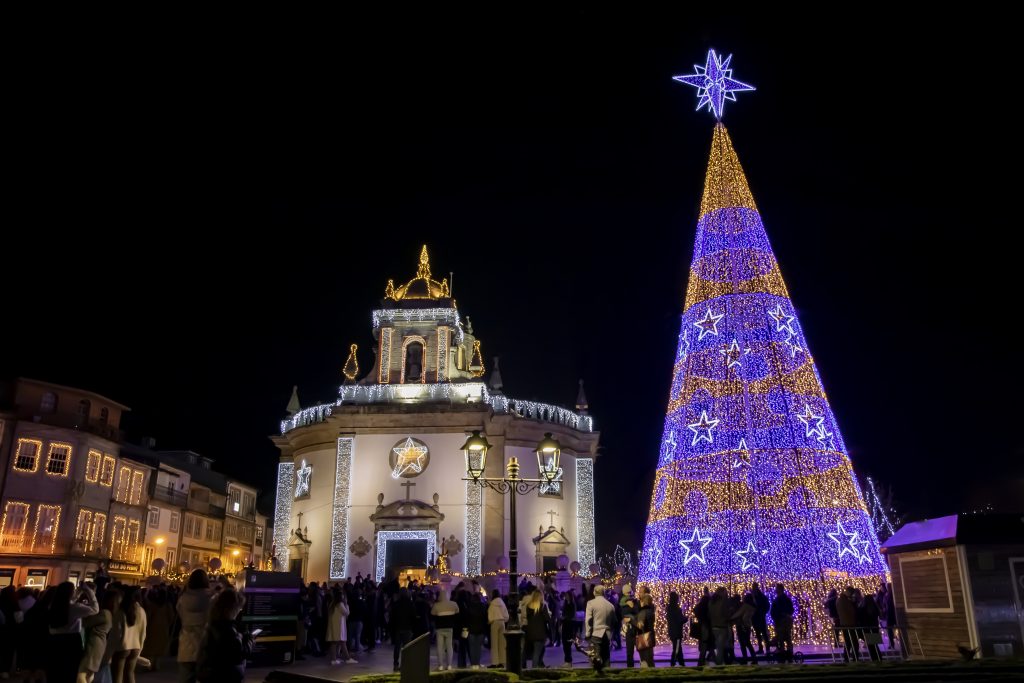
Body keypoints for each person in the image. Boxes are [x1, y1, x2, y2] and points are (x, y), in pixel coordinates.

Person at [47, 582, 99, 683]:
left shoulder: (52, 606)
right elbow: (95, 609)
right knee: (70, 672)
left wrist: (78, 593)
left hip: (54, 641)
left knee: (55, 671)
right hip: (71, 641)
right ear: (70, 593)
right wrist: (89, 591)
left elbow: (68, 602)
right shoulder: (75, 608)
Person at [196, 590, 251, 683]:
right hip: (224, 675)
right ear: (231, 608)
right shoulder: (226, 629)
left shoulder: (214, 624)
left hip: (211, 674)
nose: (239, 611)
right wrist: (249, 640)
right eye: (239, 608)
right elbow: (238, 654)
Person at [177, 569, 212, 683]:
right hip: (205, 643)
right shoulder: (211, 598)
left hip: (186, 643)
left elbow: (180, 614)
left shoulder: (183, 598)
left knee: (185, 678)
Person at [80, 588, 119, 683]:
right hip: (100, 646)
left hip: (94, 646)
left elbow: (86, 622)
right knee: (89, 676)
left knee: (81, 675)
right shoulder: (112, 614)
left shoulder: (104, 613)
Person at [113, 586, 147, 683]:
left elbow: (116, 633)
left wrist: (109, 651)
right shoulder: (141, 611)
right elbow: (143, 633)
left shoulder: (121, 611)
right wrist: (140, 649)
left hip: (122, 647)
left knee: (117, 676)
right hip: (135, 647)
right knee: (130, 674)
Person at [141, 587, 174, 671]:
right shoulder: (167, 605)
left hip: (152, 628)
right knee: (160, 647)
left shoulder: (152, 605)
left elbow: (148, 616)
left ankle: (150, 665)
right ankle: (156, 664)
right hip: (163, 628)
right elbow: (171, 617)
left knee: (151, 647)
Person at [584, 585, 615, 670]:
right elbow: (614, 622)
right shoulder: (610, 605)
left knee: (595, 659)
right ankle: (608, 674)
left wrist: (587, 634)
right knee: (606, 657)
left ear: (594, 592)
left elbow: (588, 620)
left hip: (596, 633)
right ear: (603, 593)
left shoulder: (590, 603)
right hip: (607, 634)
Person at [430, 588, 460, 671]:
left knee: (440, 647)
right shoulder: (453, 604)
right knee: (449, 646)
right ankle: (449, 665)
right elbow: (457, 614)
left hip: (439, 629)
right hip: (450, 628)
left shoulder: (436, 605)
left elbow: (432, 615)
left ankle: (440, 665)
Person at [326, 586, 357, 664]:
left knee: (334, 643)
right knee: (342, 642)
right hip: (339, 626)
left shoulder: (332, 603)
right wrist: (346, 604)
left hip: (333, 626)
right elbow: (347, 613)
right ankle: (347, 658)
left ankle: (334, 659)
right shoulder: (340, 604)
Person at [389, 588, 416, 671]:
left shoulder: (396, 603)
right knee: (406, 648)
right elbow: (413, 616)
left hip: (398, 628)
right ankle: (404, 664)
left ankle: (395, 664)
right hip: (407, 628)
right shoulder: (410, 603)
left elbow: (392, 617)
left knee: (397, 647)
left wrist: (392, 628)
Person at [524, 590, 549, 668]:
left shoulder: (528, 606)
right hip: (540, 634)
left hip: (530, 633)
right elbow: (547, 619)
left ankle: (540, 665)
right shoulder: (542, 606)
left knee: (540, 650)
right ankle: (534, 669)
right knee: (537, 653)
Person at [770, 584, 794, 663]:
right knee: (787, 638)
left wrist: (778, 616)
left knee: (781, 638)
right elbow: (791, 609)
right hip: (784, 620)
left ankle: (783, 654)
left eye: (777, 588)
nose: (775, 590)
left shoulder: (779, 600)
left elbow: (776, 610)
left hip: (781, 621)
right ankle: (789, 654)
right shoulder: (785, 599)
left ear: (780, 589)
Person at [732, 593, 757, 665]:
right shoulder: (752, 606)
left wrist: (730, 618)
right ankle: (753, 658)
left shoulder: (745, 606)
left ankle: (745, 659)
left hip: (742, 625)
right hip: (748, 625)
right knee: (747, 643)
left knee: (743, 643)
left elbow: (738, 614)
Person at [465, 592, 488, 669]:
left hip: (471, 630)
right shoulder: (483, 606)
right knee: (478, 648)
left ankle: (473, 664)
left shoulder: (469, 607)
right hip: (481, 630)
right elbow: (485, 619)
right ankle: (477, 663)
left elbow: (467, 619)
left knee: (472, 648)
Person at [487, 589, 509, 669]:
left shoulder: (492, 604)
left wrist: (490, 621)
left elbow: (490, 616)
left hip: (494, 622)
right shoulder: (502, 603)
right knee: (502, 643)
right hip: (502, 623)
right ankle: (502, 662)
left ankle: (495, 662)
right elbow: (506, 616)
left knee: (494, 643)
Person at [618, 583, 637, 667]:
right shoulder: (630, 601)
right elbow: (636, 612)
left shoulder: (621, 601)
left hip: (627, 627)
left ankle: (630, 666)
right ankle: (631, 665)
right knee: (634, 648)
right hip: (632, 626)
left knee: (629, 650)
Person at [665, 591, 686, 667]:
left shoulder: (669, 608)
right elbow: (680, 620)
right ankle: (673, 662)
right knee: (677, 648)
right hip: (677, 632)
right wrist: (685, 619)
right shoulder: (676, 608)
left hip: (672, 631)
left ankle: (681, 662)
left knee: (678, 647)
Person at [635, 594, 656, 668]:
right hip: (650, 637)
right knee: (650, 659)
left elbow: (640, 625)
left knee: (644, 661)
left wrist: (632, 621)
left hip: (643, 638)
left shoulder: (643, 612)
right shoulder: (651, 611)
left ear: (643, 601)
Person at [560, 591, 579, 668]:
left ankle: (568, 661)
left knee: (568, 644)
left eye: (567, 595)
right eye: (565, 595)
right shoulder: (565, 604)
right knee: (565, 644)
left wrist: (565, 617)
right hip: (565, 625)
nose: (566, 597)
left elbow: (572, 615)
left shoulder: (572, 604)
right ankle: (567, 661)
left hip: (570, 625)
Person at [750, 583, 770, 654]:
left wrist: (762, 612)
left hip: (759, 617)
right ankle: (762, 649)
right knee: (759, 634)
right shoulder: (753, 596)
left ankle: (766, 649)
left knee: (763, 633)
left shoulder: (760, 596)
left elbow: (766, 606)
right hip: (756, 617)